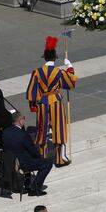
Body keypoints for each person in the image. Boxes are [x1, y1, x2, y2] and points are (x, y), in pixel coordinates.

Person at [26, 38, 77, 167]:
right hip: (55, 102)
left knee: (42, 130)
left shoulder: (37, 72)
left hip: (42, 103)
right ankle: (59, 159)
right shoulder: (58, 72)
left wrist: (34, 105)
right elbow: (70, 83)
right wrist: (69, 67)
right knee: (58, 129)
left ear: (45, 58)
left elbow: (32, 91)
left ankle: (43, 159)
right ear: (55, 58)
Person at [1, 113, 52, 195]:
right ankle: (35, 189)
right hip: (23, 163)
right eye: (23, 118)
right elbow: (33, 151)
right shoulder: (23, 135)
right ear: (20, 121)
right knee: (48, 163)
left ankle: (27, 185)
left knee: (27, 155)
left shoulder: (5, 131)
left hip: (10, 161)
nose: (24, 120)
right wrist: (40, 157)